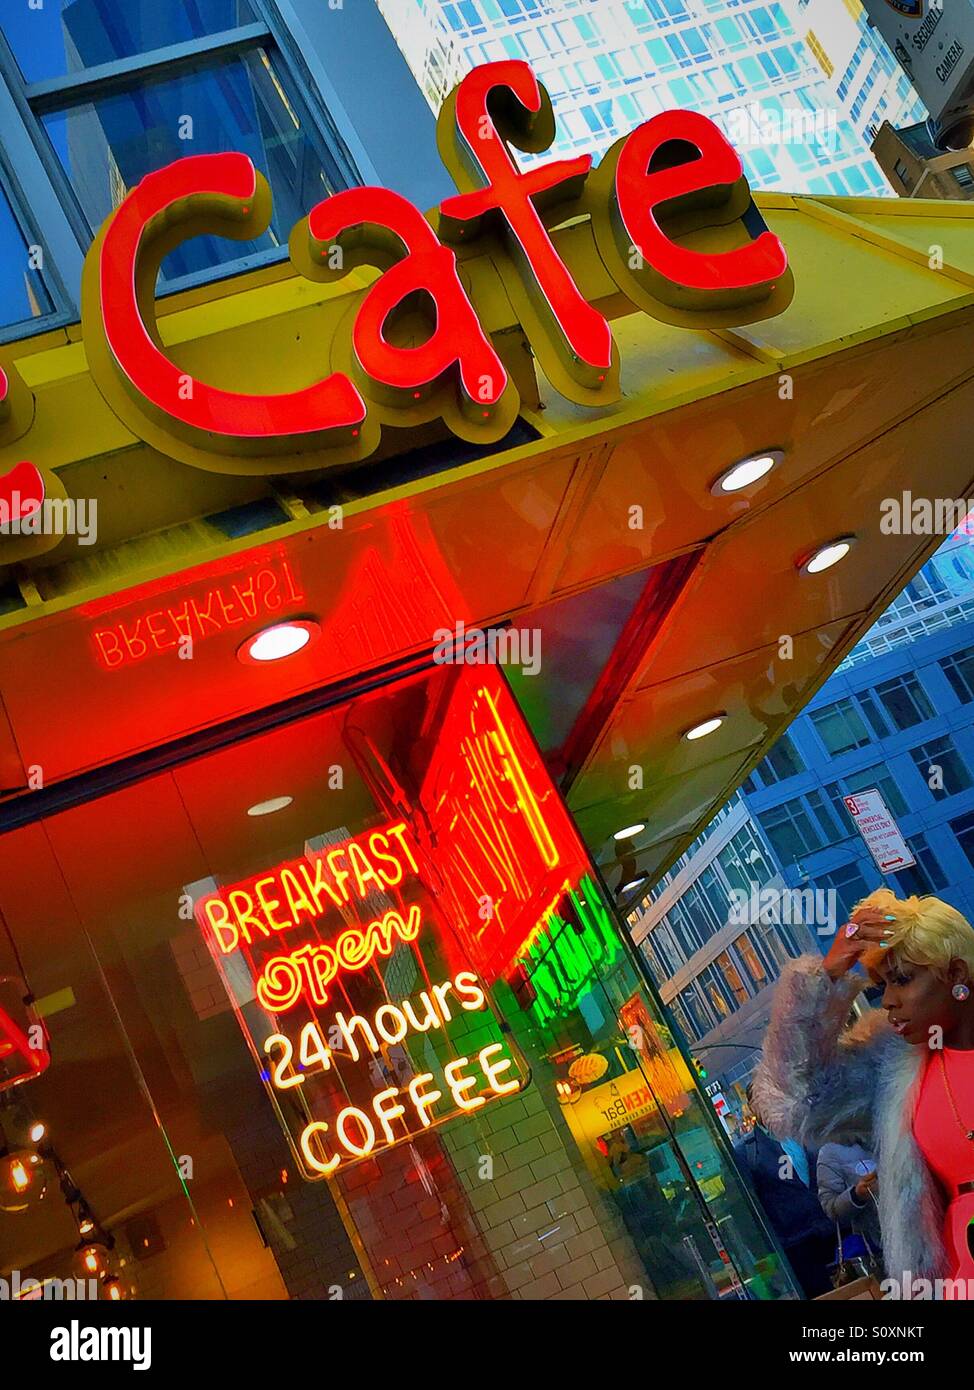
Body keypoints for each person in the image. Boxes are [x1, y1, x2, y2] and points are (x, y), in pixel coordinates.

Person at [753, 888, 974, 1296]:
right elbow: (794, 1100)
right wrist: (825, 978)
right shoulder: (893, 1065)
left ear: (956, 974)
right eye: (883, 984)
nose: (888, 1000)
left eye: (903, 980)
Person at [735, 1088, 835, 1297]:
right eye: (763, 1098)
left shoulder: (806, 1132)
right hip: (797, 1246)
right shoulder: (748, 1152)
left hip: (834, 1228)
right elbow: (744, 1213)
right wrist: (766, 1255)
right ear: (753, 1106)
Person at [816, 1139, 883, 1261]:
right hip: (877, 1243)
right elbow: (831, 1207)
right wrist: (856, 1195)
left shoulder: (892, 1129)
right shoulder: (831, 1152)